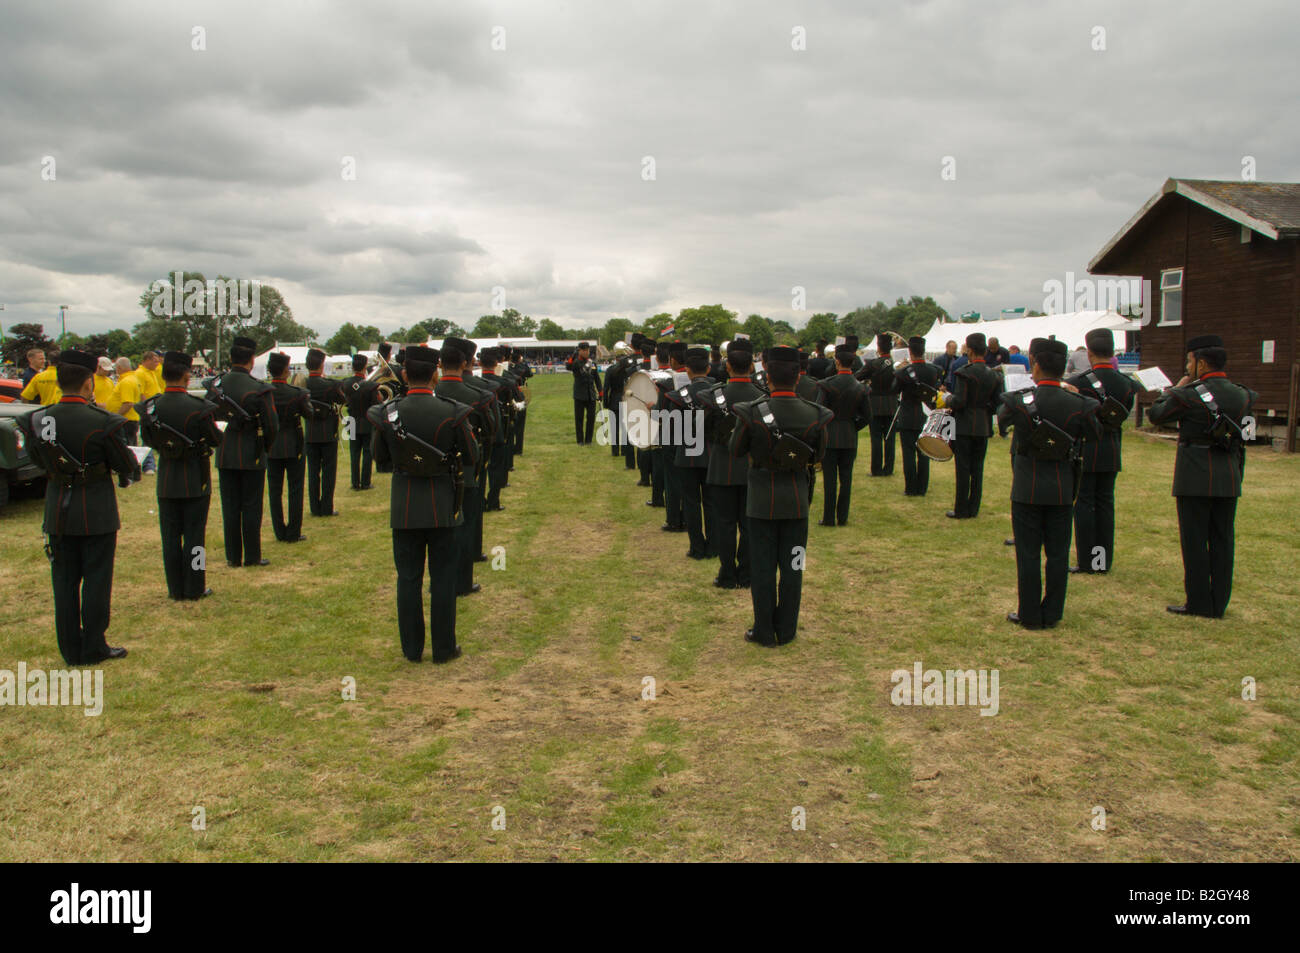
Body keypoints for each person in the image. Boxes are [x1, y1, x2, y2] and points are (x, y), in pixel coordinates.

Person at [15, 350, 137, 663]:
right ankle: (94, 644)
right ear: (87, 384)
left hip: (58, 508)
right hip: (96, 509)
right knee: (97, 580)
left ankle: (70, 648)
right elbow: (126, 465)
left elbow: (36, 459)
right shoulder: (103, 422)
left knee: (64, 582)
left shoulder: (37, 419)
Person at [367, 345, 479, 663]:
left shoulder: (390, 412)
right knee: (443, 578)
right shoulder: (452, 411)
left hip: (403, 504)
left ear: (404, 375)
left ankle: (411, 649)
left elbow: (380, 457)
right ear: (435, 374)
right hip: (444, 503)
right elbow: (472, 456)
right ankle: (444, 649)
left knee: (408, 578)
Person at [729, 346, 833, 646]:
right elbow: (819, 455)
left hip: (761, 501)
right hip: (798, 501)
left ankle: (763, 630)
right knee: (794, 566)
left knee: (762, 568)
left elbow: (736, 450)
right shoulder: (815, 414)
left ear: (767, 375)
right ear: (798, 376)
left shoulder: (750, 412)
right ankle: (787, 629)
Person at [1148, 334, 1256, 618]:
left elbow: (1157, 415)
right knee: (1223, 539)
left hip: (1194, 475)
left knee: (1195, 541)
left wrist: (1173, 389)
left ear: (1202, 363)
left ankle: (1198, 601)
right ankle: (1219, 602)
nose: (1187, 366)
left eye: (1189, 361)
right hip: (1228, 475)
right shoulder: (1243, 395)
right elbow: (1248, 434)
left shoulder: (1188, 394)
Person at [996, 339, 1100, 630]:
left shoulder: (1020, 400)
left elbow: (1002, 423)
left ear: (1036, 366)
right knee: (1057, 553)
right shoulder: (1079, 404)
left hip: (1027, 485)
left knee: (1027, 552)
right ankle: (1052, 611)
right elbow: (1094, 433)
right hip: (1061, 485)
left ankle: (1028, 612)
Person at [138, 351, 223, 600]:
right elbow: (215, 439)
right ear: (187, 376)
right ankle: (195, 585)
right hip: (195, 477)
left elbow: (148, 439)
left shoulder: (152, 407)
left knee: (170, 537)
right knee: (195, 537)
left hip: (167, 479)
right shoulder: (198, 408)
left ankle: (175, 587)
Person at [1065, 328, 1137, 574]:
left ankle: (1087, 561)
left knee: (1084, 504)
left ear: (1090, 352)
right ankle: (1102, 561)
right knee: (1106, 505)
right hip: (1112, 447)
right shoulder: (1127, 384)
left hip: (1087, 447)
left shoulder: (1078, 383)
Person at [436, 338, 498, 598]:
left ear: (439, 364)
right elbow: (492, 431)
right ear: (465, 363)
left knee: (438, 532)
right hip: (468, 468)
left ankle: (439, 581)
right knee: (465, 523)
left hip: (434, 472)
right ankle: (462, 582)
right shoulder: (477, 395)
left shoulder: (433, 391)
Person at [210, 336, 278, 567]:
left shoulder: (216, 386)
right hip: (252, 451)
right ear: (251, 361)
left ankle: (233, 556)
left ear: (230, 359)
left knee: (230, 507)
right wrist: (265, 447)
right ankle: (252, 555)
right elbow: (272, 425)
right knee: (251, 506)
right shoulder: (258, 389)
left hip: (226, 450)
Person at [704, 338, 762, 588]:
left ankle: (727, 574)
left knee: (725, 525)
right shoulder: (762, 397)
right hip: (751, 468)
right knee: (749, 526)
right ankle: (747, 574)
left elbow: (705, 430)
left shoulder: (713, 396)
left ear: (727, 367)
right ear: (751, 367)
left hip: (721, 467)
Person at [662, 345, 717, 560]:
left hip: (687, 455)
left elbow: (669, 430)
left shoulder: (676, 396)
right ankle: (713, 547)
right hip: (712, 455)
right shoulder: (719, 393)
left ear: (687, 371)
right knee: (712, 503)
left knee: (691, 503)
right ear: (708, 368)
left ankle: (696, 547)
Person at [942, 332, 1002, 519]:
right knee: (977, 469)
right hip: (983, 425)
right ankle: (973, 507)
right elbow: (997, 403)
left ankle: (961, 508)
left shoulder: (964, 373)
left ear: (970, 350)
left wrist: (947, 398)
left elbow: (959, 401)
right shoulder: (994, 375)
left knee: (963, 468)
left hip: (965, 425)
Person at [815, 343, 870, 526]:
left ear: (837, 362)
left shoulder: (827, 385)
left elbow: (820, 411)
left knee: (830, 479)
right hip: (849, 435)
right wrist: (853, 426)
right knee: (846, 479)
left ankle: (829, 517)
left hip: (831, 434)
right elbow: (867, 416)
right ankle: (843, 516)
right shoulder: (860, 387)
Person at [266, 351, 311, 544]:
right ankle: (293, 531)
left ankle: (279, 530)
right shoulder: (297, 394)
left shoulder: (265, 392)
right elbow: (309, 414)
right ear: (286, 371)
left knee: (275, 491)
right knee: (295, 489)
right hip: (293, 443)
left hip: (272, 444)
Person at [894, 336, 943, 497]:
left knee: (908, 453)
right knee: (924, 453)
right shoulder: (933, 370)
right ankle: (922, 487)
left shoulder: (903, 372)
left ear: (910, 352)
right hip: (926, 414)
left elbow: (895, 390)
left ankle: (910, 487)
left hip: (908, 414)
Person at [303, 347, 347, 518]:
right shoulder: (330, 385)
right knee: (329, 472)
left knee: (313, 472)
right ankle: (326, 506)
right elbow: (342, 399)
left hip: (311, 432)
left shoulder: (302, 383)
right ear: (321, 365)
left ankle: (315, 507)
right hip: (328, 432)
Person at [479, 348, 523, 512]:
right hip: (500, 427)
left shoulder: (476, 381)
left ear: (480, 363)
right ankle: (493, 500)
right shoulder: (505, 382)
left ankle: (482, 501)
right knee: (497, 466)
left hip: (480, 429)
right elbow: (520, 399)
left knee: (481, 467)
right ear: (497, 363)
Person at [860, 333, 898, 477]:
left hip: (875, 405)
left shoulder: (873, 364)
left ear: (878, 347)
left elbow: (857, 376)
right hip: (891, 404)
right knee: (890, 439)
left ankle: (876, 469)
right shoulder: (896, 364)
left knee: (876, 439)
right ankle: (888, 469)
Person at [107, 357, 144, 488]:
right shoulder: (133, 379)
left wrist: (115, 417)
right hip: (131, 419)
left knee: (125, 449)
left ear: (120, 368)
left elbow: (128, 403)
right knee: (132, 447)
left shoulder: (127, 382)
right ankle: (135, 475)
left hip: (125, 420)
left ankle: (128, 477)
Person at [343, 353, 377, 490]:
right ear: (365, 367)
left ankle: (355, 482)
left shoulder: (345, 383)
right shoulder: (370, 385)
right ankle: (365, 482)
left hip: (351, 421)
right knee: (367, 452)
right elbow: (376, 404)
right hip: (367, 422)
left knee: (354, 453)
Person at [566, 341, 601, 445]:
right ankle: (580, 440)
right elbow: (568, 366)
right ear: (580, 351)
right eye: (584, 350)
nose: (586, 352)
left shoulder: (592, 363)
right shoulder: (576, 363)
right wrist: (573, 355)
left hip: (591, 394)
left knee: (591, 419)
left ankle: (588, 440)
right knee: (579, 419)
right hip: (579, 395)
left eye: (587, 350)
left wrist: (601, 392)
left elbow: (597, 379)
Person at [135, 351, 163, 474]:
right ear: (147, 360)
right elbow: (141, 393)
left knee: (153, 436)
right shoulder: (140, 373)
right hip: (147, 410)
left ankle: (150, 463)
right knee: (146, 436)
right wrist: (147, 409)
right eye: (155, 361)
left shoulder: (152, 372)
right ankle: (148, 465)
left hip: (154, 409)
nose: (157, 363)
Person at [508, 349, 533, 455]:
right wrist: (523, 362)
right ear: (520, 357)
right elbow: (530, 374)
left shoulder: (508, 368)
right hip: (520, 394)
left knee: (510, 423)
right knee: (520, 424)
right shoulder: (522, 367)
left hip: (509, 395)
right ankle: (518, 449)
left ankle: (510, 446)